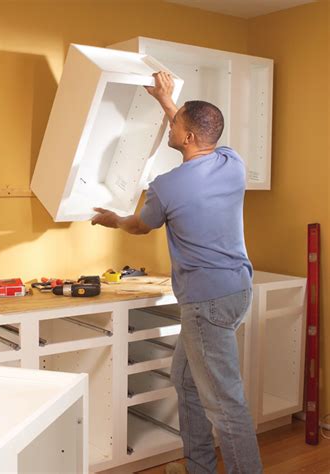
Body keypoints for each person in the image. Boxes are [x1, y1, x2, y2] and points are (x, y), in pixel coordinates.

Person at [91, 72, 262, 474]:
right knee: (185, 381)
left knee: (226, 403)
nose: (172, 123)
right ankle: (198, 467)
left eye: (176, 121)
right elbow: (193, 132)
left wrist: (114, 219)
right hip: (236, 291)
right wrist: (168, 101)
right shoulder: (232, 163)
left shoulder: (167, 186)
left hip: (205, 301)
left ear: (185, 136)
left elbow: (139, 226)